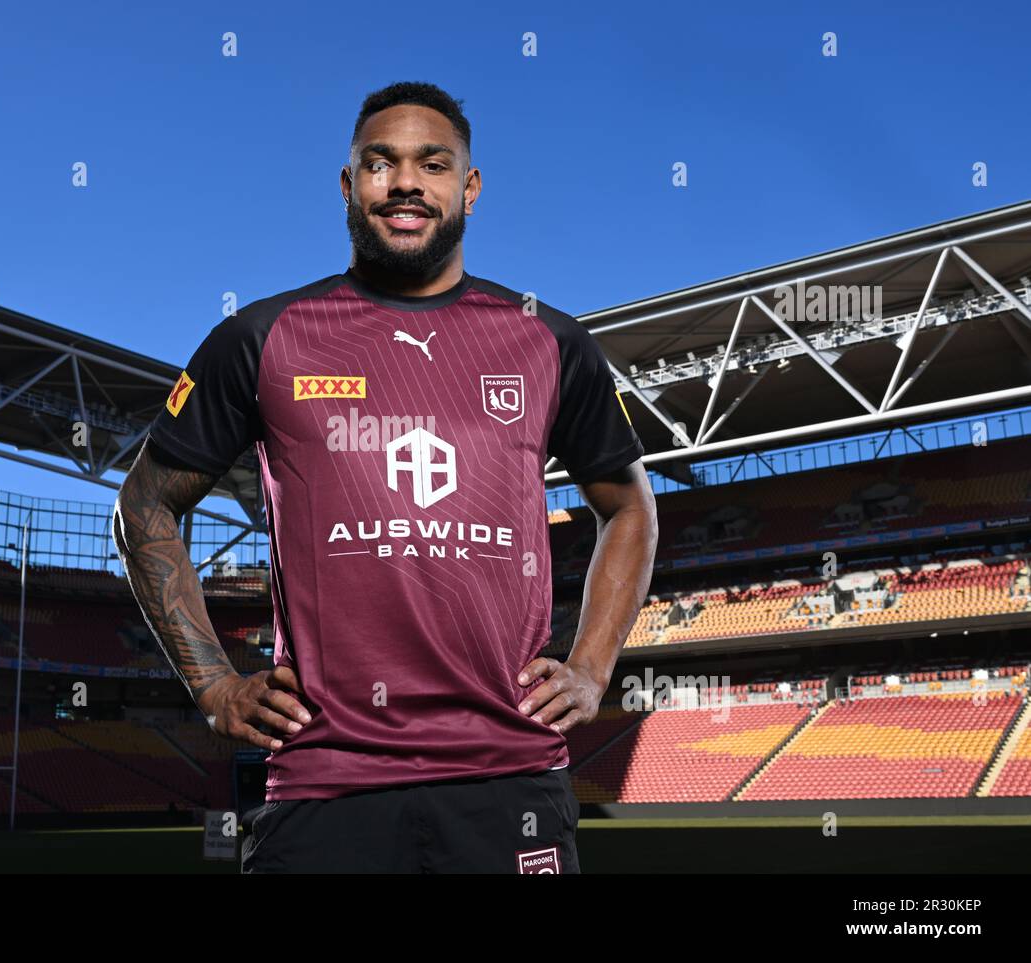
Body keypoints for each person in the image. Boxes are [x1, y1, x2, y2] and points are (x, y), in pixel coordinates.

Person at [114, 81, 658, 873]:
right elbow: (145, 506)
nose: (406, 182)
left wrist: (592, 665)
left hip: (509, 780)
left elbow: (629, 505)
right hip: (323, 791)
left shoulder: (550, 342)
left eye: (432, 164)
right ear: (348, 185)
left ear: (469, 188)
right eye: (381, 163)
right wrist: (213, 685)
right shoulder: (261, 338)